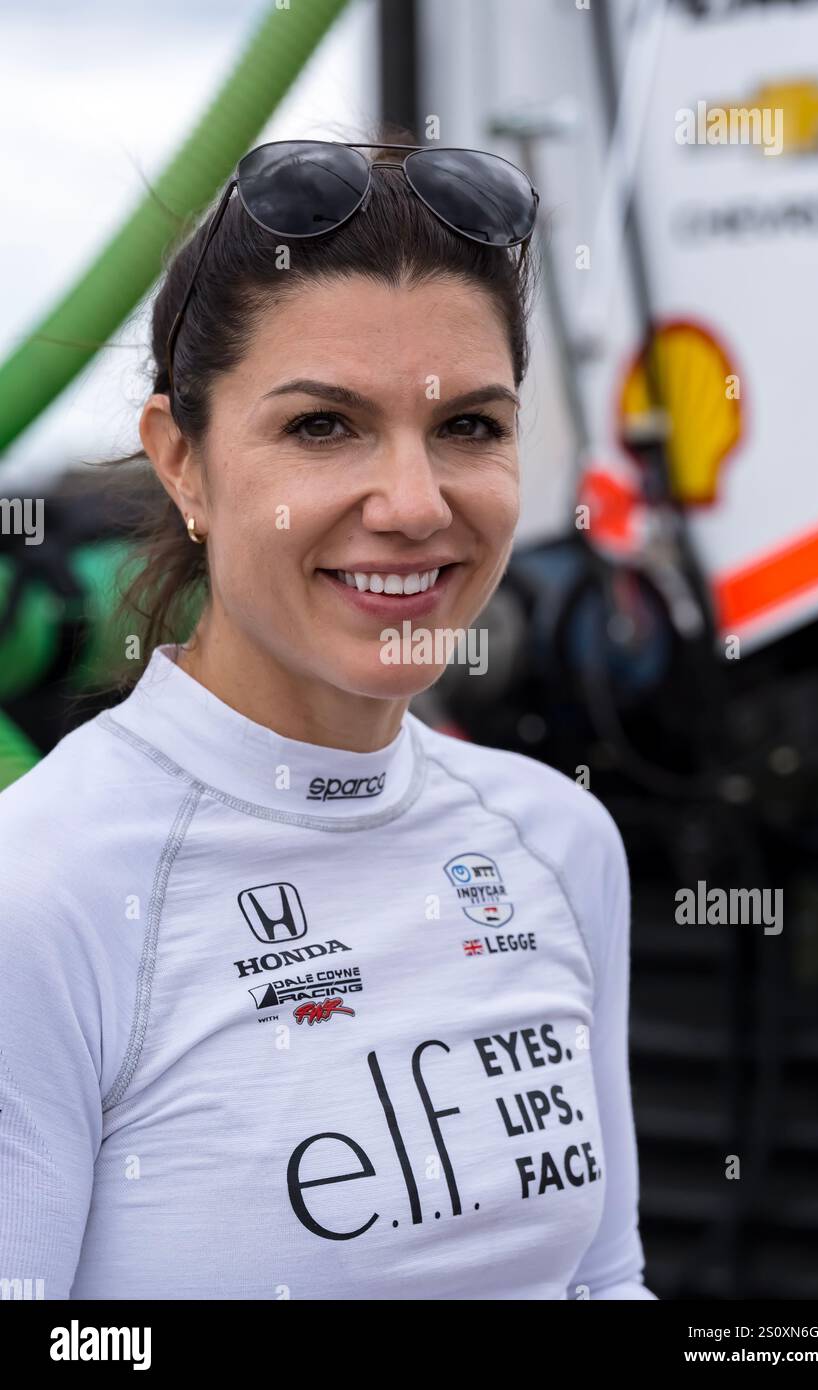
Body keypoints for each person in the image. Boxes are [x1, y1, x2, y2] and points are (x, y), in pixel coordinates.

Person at [0, 129, 656, 1301]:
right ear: (182, 462)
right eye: (321, 426)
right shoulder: (42, 890)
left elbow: (603, 1285)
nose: (413, 504)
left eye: (468, 426)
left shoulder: (557, 841)